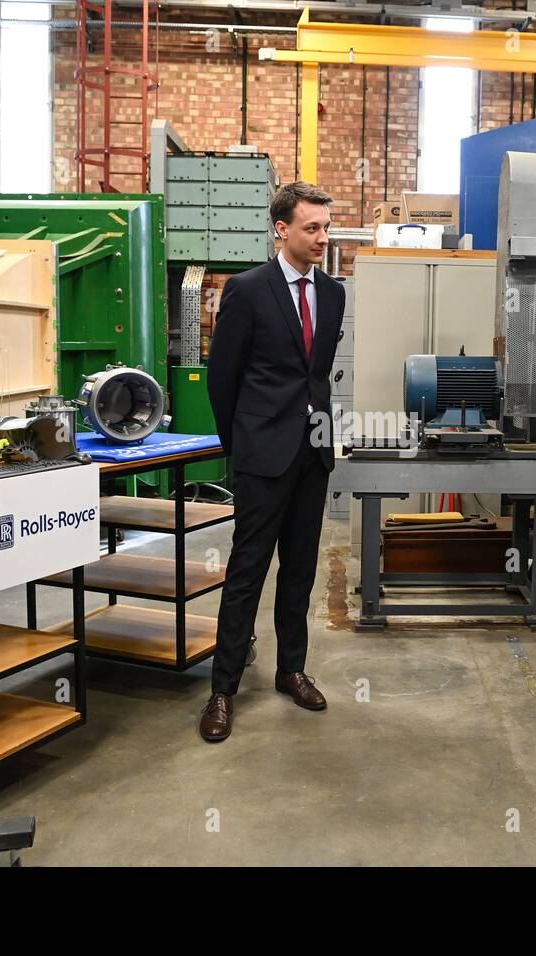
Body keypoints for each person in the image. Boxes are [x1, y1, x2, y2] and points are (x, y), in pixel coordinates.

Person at [201, 182, 345, 743]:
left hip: (313, 451)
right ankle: (223, 689)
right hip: (264, 455)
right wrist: (242, 447)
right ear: (281, 230)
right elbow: (223, 378)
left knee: (301, 571)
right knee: (247, 573)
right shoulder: (247, 290)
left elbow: (318, 375)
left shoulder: (332, 293)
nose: (323, 238)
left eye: (327, 228)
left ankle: (292, 670)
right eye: (312, 228)